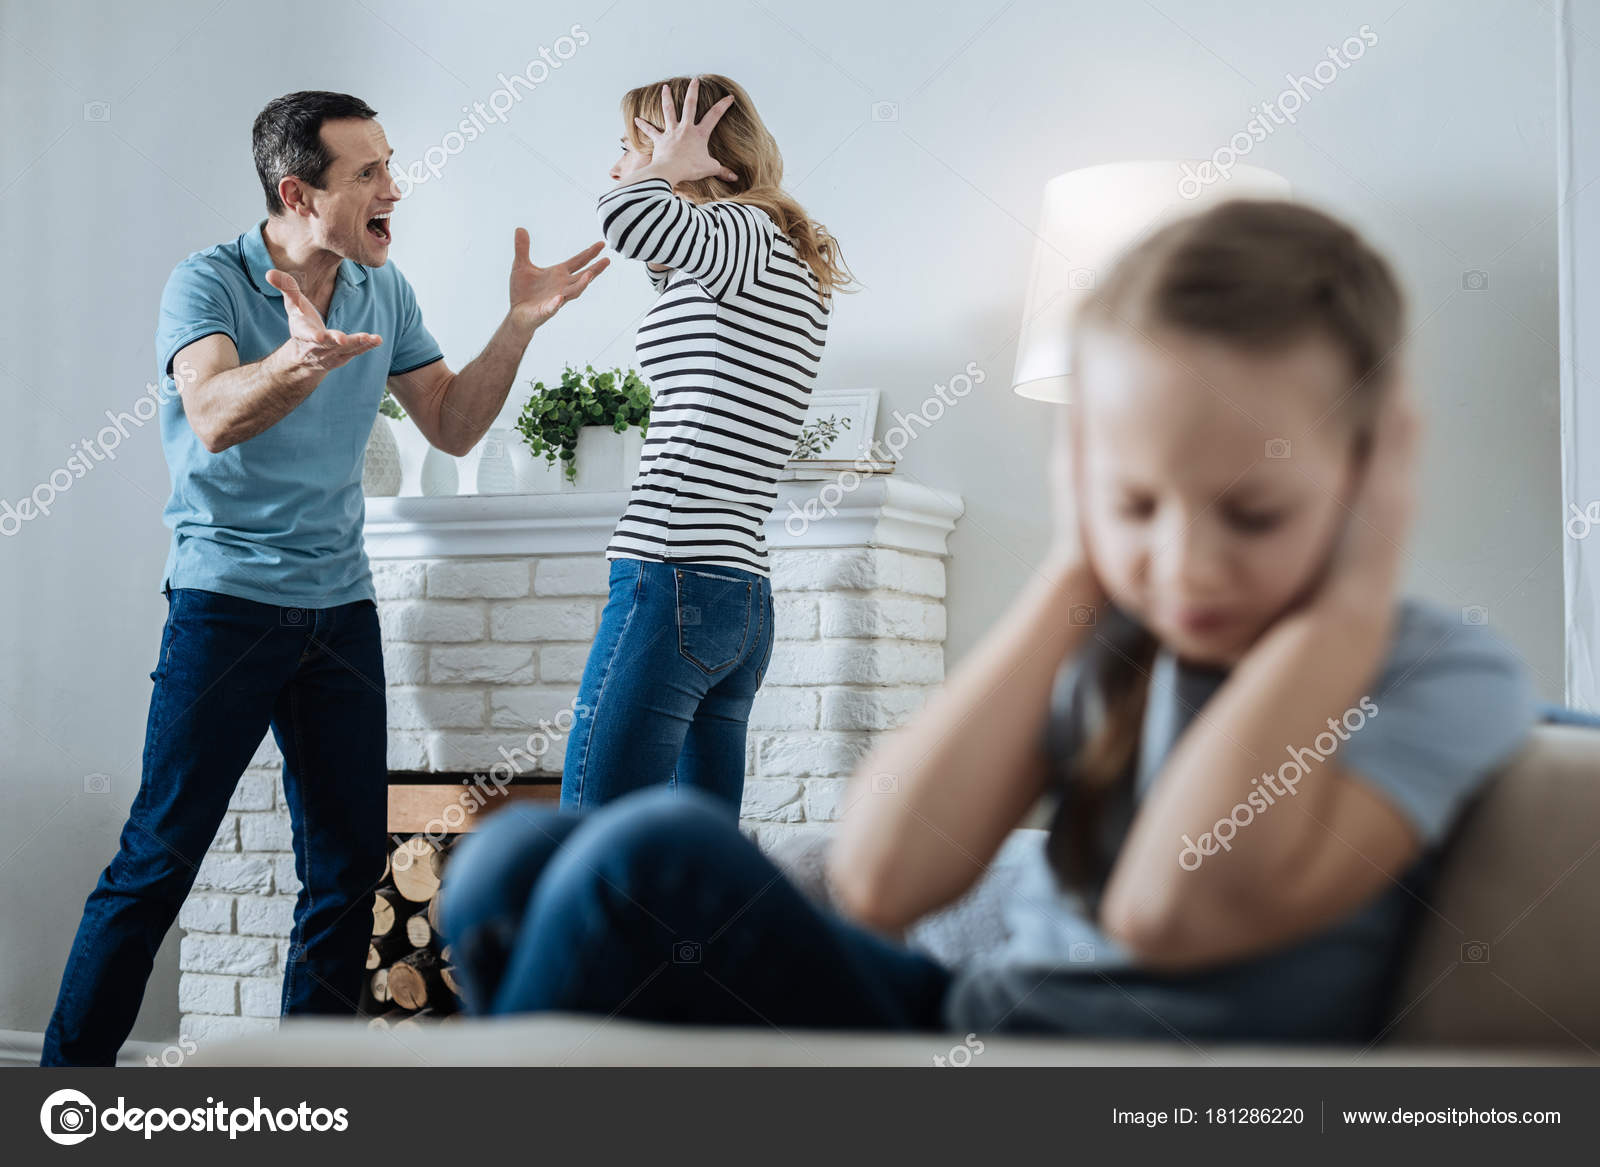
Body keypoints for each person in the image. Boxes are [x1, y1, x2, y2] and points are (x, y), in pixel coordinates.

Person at [437, 198, 1537, 1041]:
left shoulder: (1438, 672)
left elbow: (1170, 913)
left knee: (659, 855)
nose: (1184, 560)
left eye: (1251, 512)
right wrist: (1077, 564)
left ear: (1371, 465)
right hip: (971, 1030)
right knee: (519, 852)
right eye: (1136, 502)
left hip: (1087, 1082)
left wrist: (1349, 587)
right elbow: (879, 878)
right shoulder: (1117, 637)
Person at [40, 90, 607, 1066]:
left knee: (348, 872)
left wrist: (519, 323)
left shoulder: (383, 288)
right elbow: (213, 414)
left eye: (392, 164)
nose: (396, 187)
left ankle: (310, 1096)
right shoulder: (209, 282)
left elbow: (454, 424)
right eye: (370, 174)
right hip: (226, 608)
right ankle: (61, 1096)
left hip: (339, 613)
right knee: (158, 862)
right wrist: (295, 363)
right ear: (298, 193)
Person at [561, 75, 849, 815]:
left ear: (693, 150)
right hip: (738, 594)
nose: (619, 165)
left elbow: (623, 219)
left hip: (671, 573)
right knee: (693, 865)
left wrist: (666, 167)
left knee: (588, 837)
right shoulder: (772, 250)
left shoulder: (744, 237)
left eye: (632, 146)